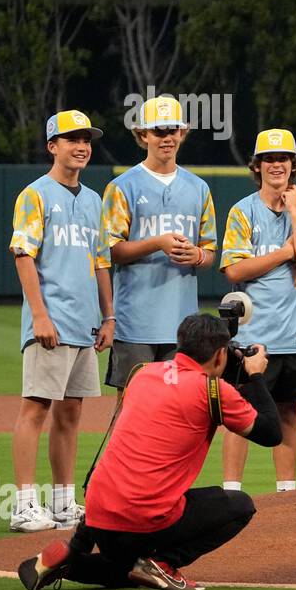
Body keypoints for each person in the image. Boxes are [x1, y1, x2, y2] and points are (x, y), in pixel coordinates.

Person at [17, 314, 282, 590]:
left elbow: (182, 385)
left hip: (98, 514)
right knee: (239, 505)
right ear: (219, 354)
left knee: (126, 569)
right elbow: (271, 433)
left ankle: (71, 558)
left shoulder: (143, 373)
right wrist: (255, 375)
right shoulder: (212, 391)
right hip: (144, 518)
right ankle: (164, 563)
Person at [8, 110, 114, 532]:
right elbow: (23, 255)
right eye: (72, 139)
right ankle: (22, 506)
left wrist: (108, 316)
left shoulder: (92, 201)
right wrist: (39, 315)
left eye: (86, 139)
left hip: (85, 325)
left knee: (70, 416)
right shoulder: (35, 195)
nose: (82, 146)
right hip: (50, 323)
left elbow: (101, 262)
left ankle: (63, 503)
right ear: (52, 146)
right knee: (34, 409)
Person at [219, 129, 296, 494]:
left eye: (284, 158)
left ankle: (287, 494)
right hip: (251, 334)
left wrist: (294, 211)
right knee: (240, 414)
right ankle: (231, 491)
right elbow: (234, 270)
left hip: (295, 334)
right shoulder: (242, 212)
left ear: (294, 165)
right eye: (269, 158)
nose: (276, 164)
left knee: (287, 413)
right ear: (258, 165)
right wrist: (282, 254)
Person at [101, 96, 216, 392]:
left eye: (173, 130)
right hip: (135, 321)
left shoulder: (199, 188)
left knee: (177, 409)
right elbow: (111, 251)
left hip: (182, 325)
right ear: (143, 135)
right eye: (159, 131)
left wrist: (197, 254)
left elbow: (210, 253)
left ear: (183, 132)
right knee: (131, 408)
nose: (167, 138)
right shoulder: (122, 186)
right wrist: (158, 243)